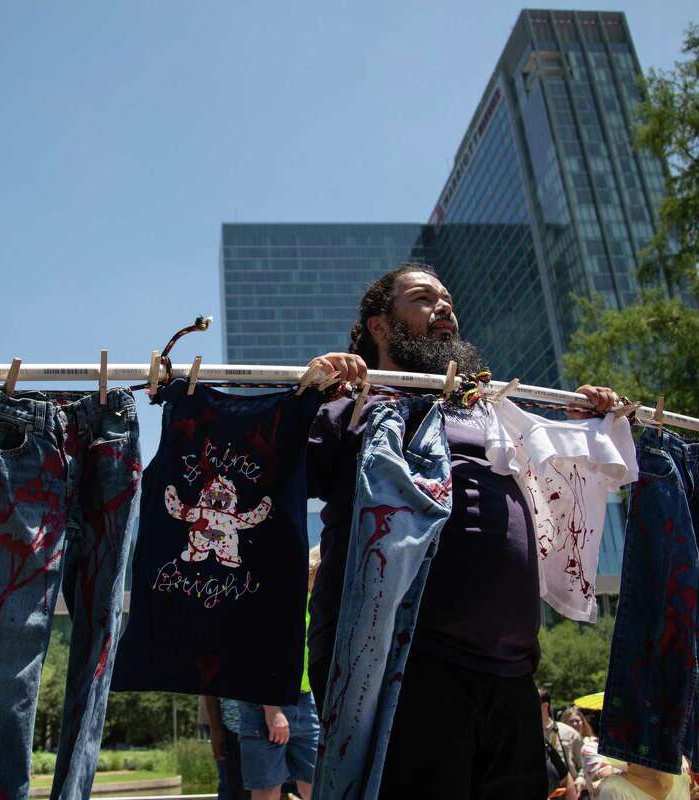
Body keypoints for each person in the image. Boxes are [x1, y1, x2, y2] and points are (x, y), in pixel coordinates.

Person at [306, 263, 620, 796]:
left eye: (448, 299)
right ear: (380, 327)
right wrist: (314, 392)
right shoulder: (355, 401)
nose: (445, 308)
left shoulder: (493, 413)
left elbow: (561, 461)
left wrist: (588, 417)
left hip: (513, 670)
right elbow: (299, 471)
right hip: (410, 666)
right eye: (424, 298)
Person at [238, 546, 322, 800]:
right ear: (312, 571)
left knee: (317, 787)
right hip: (266, 701)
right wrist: (271, 709)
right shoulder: (280, 600)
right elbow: (255, 653)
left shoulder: (318, 606)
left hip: (306, 702)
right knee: (268, 789)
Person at [562, 706, 608, 798]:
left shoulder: (593, 742)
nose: (575, 724)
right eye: (571, 721)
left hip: (587, 789)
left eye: (578, 721)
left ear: (583, 723)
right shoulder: (562, 742)